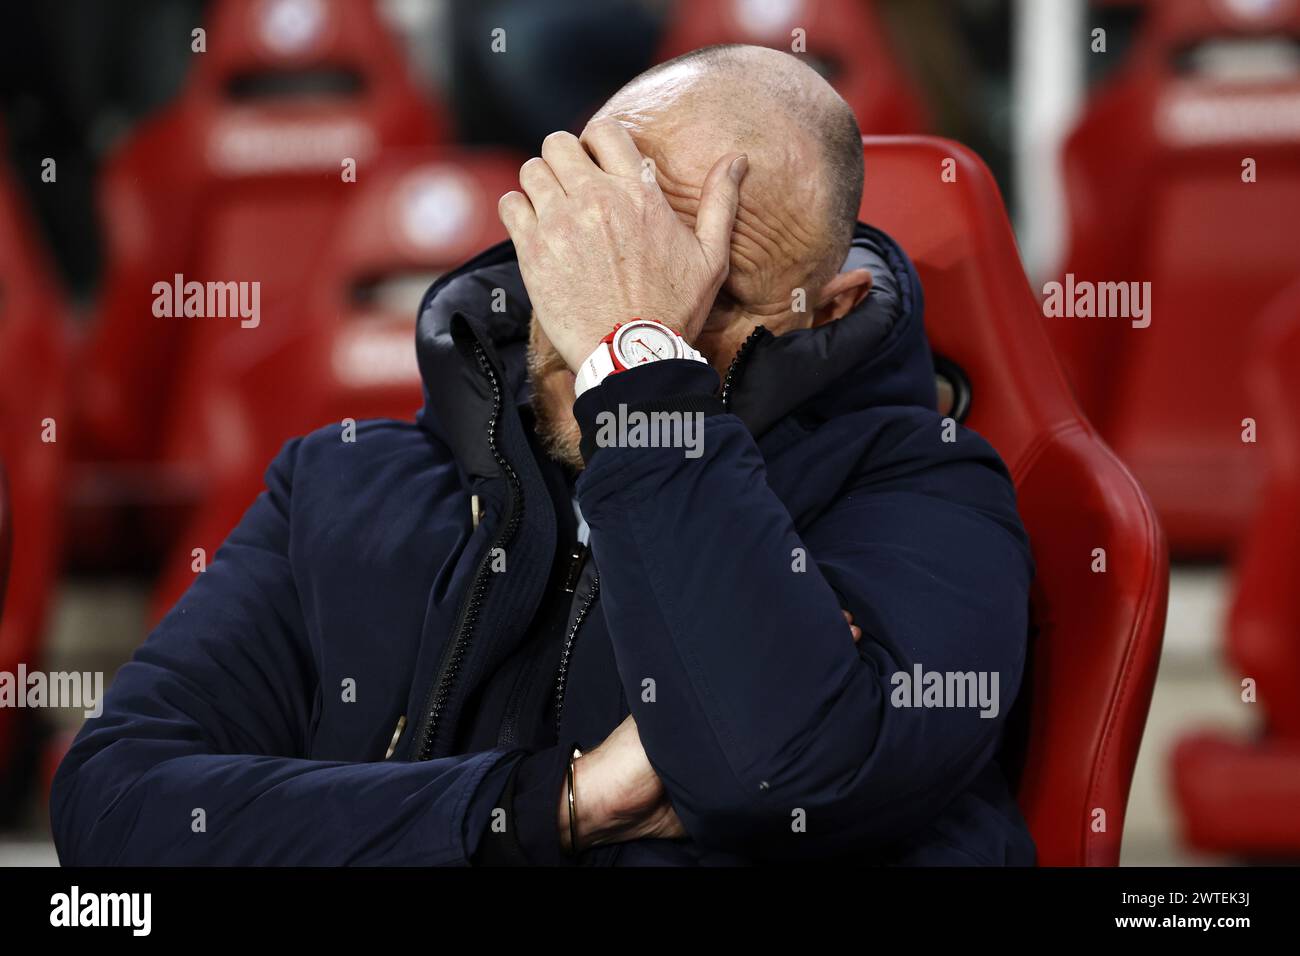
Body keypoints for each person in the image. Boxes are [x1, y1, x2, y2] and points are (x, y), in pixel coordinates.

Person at [51, 44, 1035, 866]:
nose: (590, 322)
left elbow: (776, 773)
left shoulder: (930, 496)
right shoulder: (338, 483)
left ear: (830, 309)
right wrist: (547, 803)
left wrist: (640, 362)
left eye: (709, 292)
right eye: (596, 253)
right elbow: (114, 803)